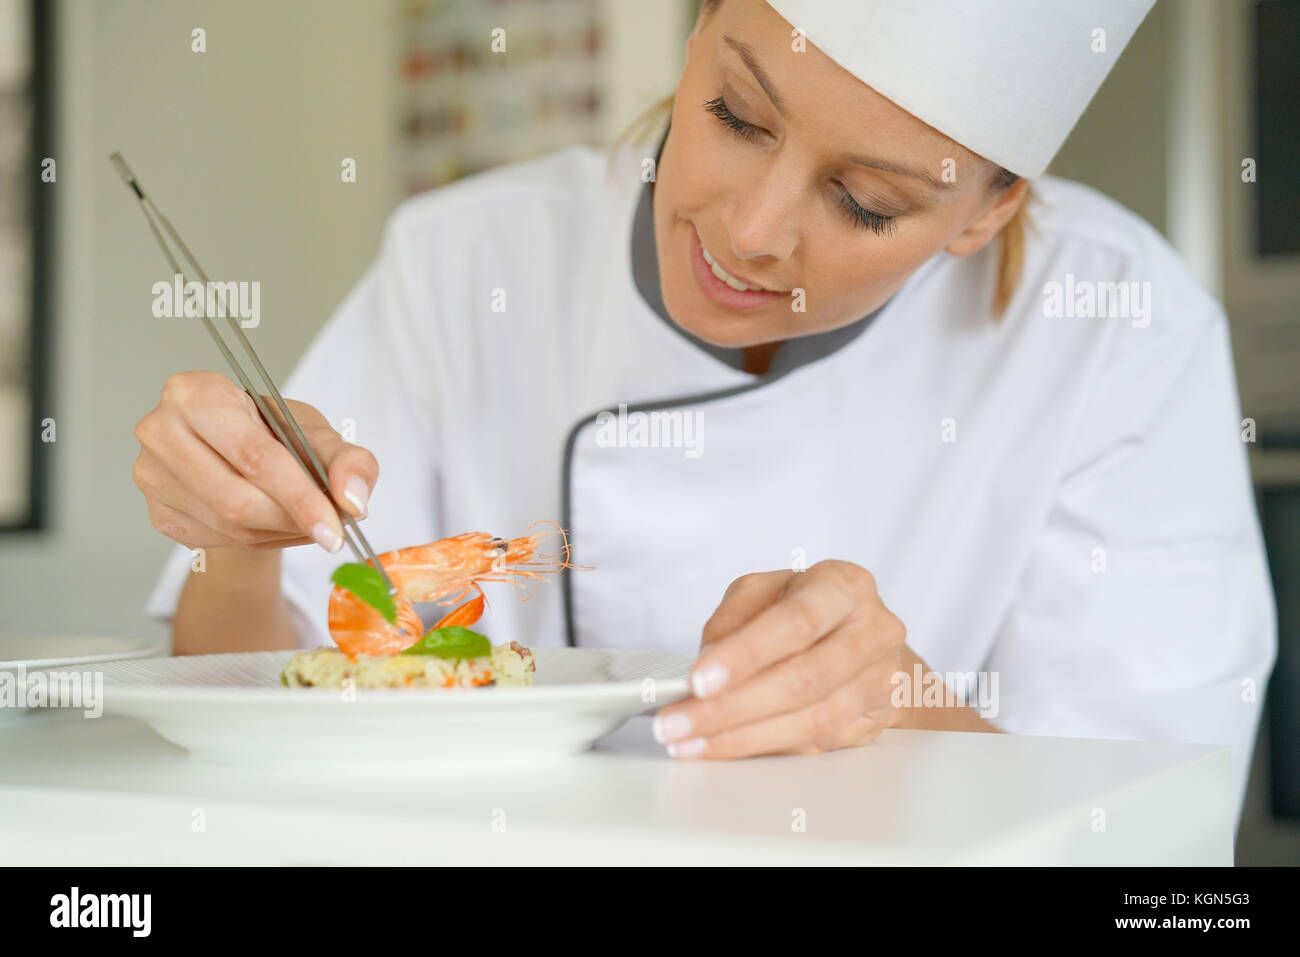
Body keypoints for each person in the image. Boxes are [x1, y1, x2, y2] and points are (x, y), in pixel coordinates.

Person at [138, 0, 1275, 821]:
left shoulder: (1119, 325)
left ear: (986, 213)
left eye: (863, 203)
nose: (750, 231)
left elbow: (1154, 855)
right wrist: (234, 540)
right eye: (735, 114)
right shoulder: (466, 261)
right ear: (694, 36)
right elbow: (242, 711)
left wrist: (902, 703)